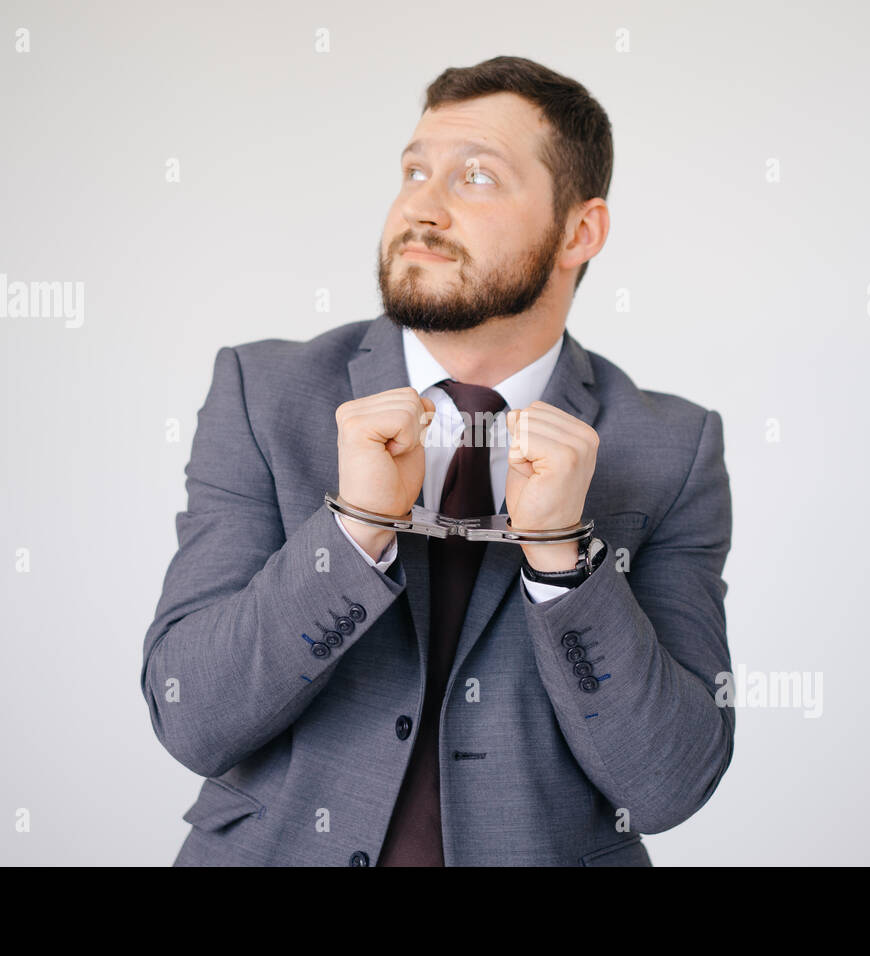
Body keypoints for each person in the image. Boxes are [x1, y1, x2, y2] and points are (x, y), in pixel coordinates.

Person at [141, 55, 734, 867]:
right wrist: (351, 534)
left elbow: (670, 782)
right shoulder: (262, 393)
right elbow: (190, 715)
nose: (421, 206)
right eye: (414, 170)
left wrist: (565, 565)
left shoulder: (673, 447)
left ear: (579, 231)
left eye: (476, 177)